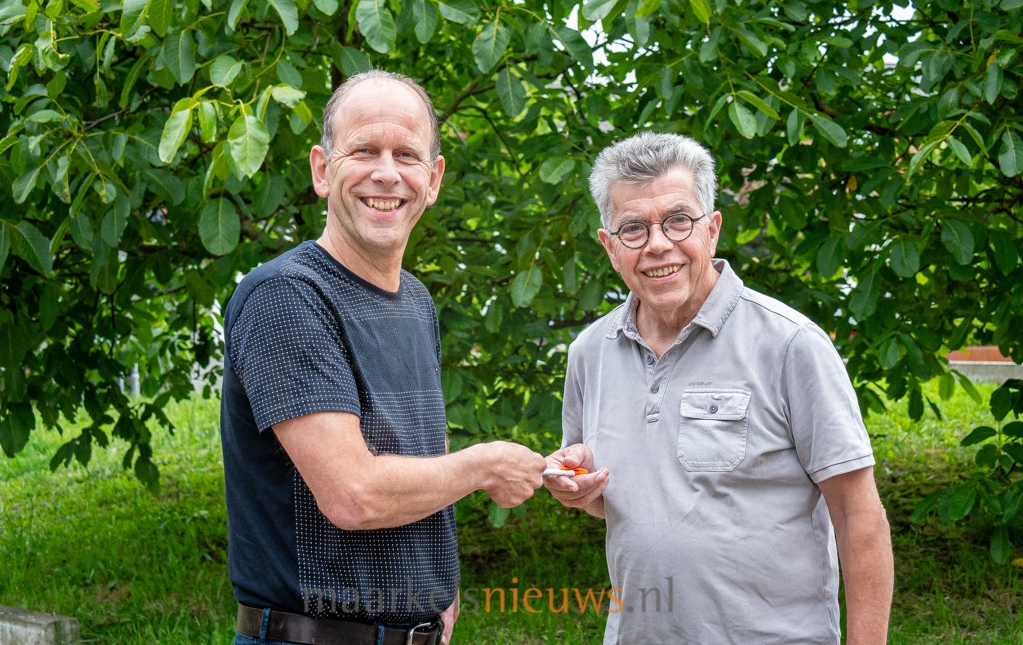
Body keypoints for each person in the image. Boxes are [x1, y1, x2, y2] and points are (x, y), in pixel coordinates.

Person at [220, 70, 548, 645]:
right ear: (323, 170)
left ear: (434, 178)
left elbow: (425, 452)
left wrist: (443, 593)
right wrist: (488, 465)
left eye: (407, 155)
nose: (387, 173)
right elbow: (355, 494)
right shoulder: (287, 298)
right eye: (364, 150)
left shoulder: (415, 300)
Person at [544, 132, 894, 644]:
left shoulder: (790, 344)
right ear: (609, 246)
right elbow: (614, 501)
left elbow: (857, 514)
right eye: (634, 228)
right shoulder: (590, 352)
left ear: (711, 230)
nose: (658, 243)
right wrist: (576, 491)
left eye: (678, 221)